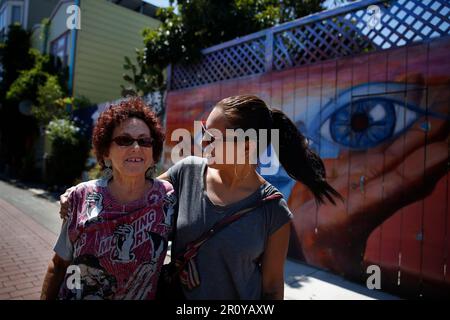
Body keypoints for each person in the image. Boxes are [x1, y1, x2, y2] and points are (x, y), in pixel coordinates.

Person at [59, 95, 342, 300]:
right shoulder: (187, 172)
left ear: (246, 146)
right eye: (204, 133)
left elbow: (271, 289)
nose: (203, 142)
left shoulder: (273, 210)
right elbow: (136, 193)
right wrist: (86, 192)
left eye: (213, 138)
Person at [41, 97, 176, 300]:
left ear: (153, 152)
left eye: (144, 141)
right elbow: (59, 265)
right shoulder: (81, 196)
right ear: (106, 152)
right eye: (124, 140)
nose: (136, 147)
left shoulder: (167, 198)